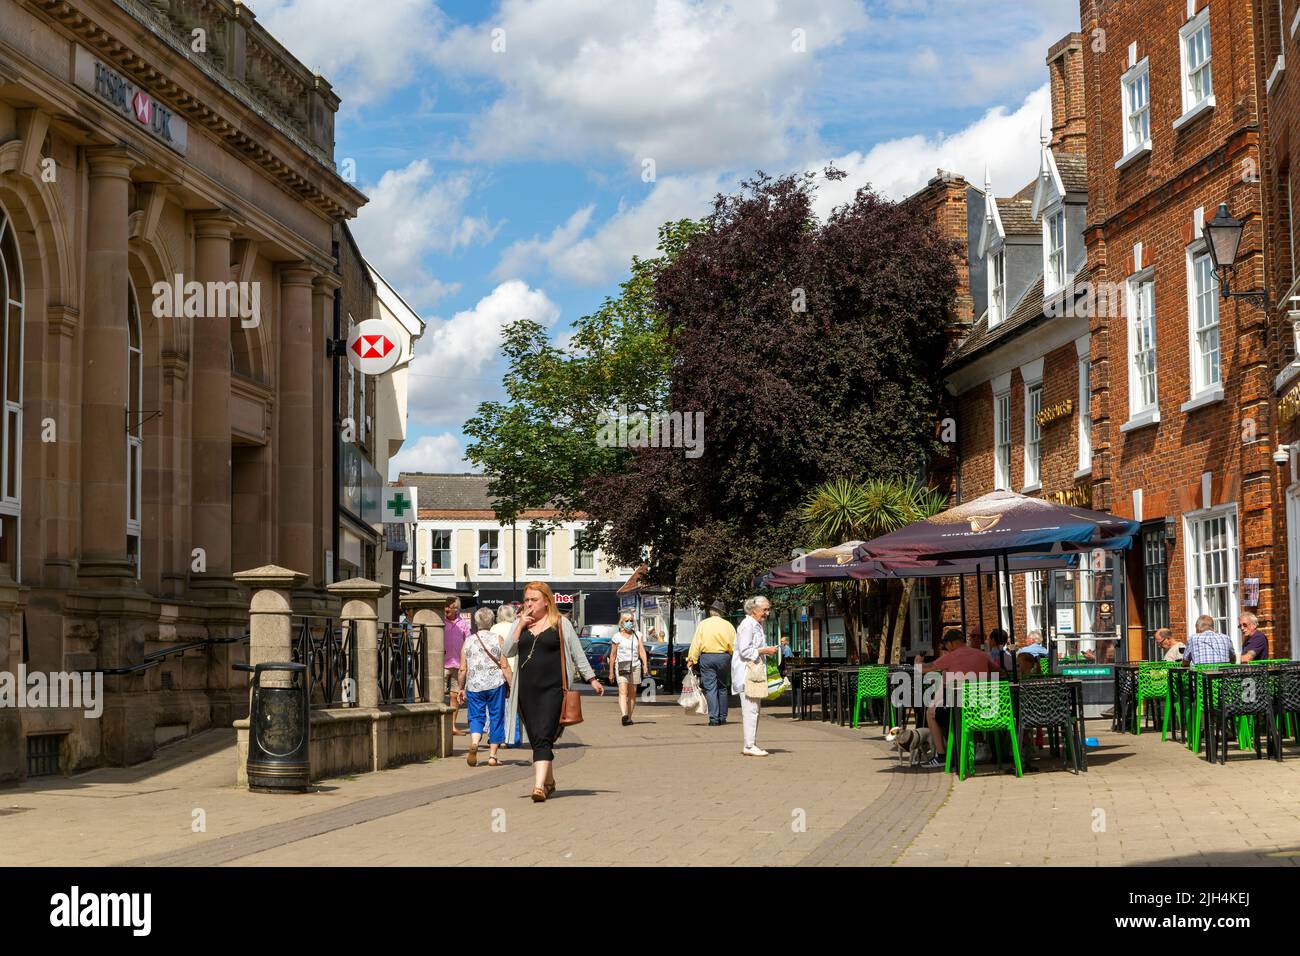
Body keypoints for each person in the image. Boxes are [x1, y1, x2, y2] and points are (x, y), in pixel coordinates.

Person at [511, 581, 604, 802]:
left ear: (546, 600)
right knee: (537, 739)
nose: (529, 604)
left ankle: (538, 786)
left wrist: (591, 679)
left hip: (553, 690)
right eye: (527, 600)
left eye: (534, 599)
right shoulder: (521, 623)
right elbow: (507, 650)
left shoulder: (561, 623)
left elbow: (577, 652)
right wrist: (519, 625)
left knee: (543, 735)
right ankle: (550, 782)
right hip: (526, 691)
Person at [913, 628, 996, 769]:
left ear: (950, 643)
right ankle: (981, 745)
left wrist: (918, 661)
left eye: (946, 646)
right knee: (959, 706)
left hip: (960, 711)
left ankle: (941, 756)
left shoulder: (951, 656)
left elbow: (924, 669)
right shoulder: (982, 655)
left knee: (931, 712)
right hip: (985, 708)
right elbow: (998, 672)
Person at [459, 607, 510, 767]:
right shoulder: (498, 639)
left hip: (474, 685)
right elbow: (504, 666)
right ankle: (493, 756)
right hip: (495, 684)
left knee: (476, 716)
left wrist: (461, 688)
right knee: (496, 716)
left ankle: (475, 741)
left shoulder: (468, 641)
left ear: (476, 622)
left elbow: (462, 669)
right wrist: (511, 683)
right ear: (491, 621)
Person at [732, 596, 780, 756]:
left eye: (768, 609)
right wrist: (765, 650)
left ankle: (751, 743)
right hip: (747, 673)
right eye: (765, 609)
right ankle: (749, 745)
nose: (767, 612)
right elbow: (745, 650)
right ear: (754, 610)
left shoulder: (755, 625)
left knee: (754, 710)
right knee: (751, 710)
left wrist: (766, 650)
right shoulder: (748, 625)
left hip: (754, 673)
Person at [687, 600, 737, 726]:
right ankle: (722, 716)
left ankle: (714, 718)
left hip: (707, 657)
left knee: (710, 688)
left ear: (711, 611)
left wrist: (692, 659)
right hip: (724, 657)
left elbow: (696, 643)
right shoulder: (728, 625)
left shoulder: (703, 624)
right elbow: (734, 645)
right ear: (722, 612)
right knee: (722, 687)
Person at [609, 613, 650, 726]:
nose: (629, 623)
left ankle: (629, 717)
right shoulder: (617, 637)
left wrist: (645, 665)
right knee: (623, 691)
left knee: (632, 693)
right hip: (621, 666)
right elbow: (612, 655)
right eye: (626, 620)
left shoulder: (638, 635)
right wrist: (611, 672)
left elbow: (641, 651)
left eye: (631, 620)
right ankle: (624, 715)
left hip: (635, 666)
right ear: (622, 622)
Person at [492, 604, 522, 746]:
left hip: (498, 670)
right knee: (514, 704)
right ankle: (513, 737)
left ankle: (498, 737)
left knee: (498, 705)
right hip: (514, 668)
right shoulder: (516, 627)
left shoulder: (494, 628)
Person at [443, 598, 469, 737]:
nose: (446, 609)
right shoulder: (440, 621)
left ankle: (452, 726)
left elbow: (468, 641)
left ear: (456, 609)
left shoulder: (463, 624)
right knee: (438, 695)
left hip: (458, 665)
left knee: (454, 695)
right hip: (442, 664)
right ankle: (440, 726)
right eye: (446, 606)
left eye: (449, 606)